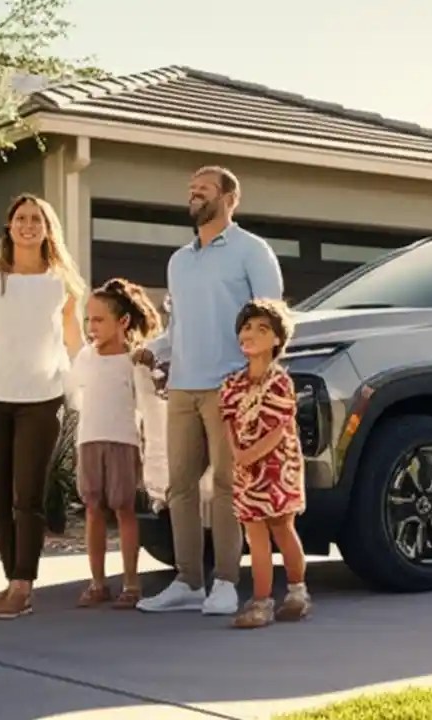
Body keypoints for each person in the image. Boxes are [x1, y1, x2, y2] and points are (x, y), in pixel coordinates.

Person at [134, 166, 285, 615]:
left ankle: (225, 582)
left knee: (225, 486)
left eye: (204, 189)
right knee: (179, 486)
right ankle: (188, 582)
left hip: (232, 386)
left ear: (229, 199)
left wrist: (258, 381)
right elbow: (178, 327)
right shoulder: (179, 261)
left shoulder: (252, 251)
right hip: (183, 387)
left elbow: (273, 319)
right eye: (191, 190)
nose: (194, 195)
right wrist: (153, 350)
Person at [0, 193, 85, 620]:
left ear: (48, 230)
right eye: (21, 218)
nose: (28, 225)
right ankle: (11, 577)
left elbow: (74, 342)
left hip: (41, 400)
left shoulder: (61, 284)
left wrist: (91, 385)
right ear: (9, 226)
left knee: (28, 497)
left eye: (37, 219)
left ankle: (22, 586)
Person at [66, 278, 166, 610]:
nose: (91, 327)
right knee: (93, 508)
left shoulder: (134, 362)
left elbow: (148, 405)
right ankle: (97, 583)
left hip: (124, 441)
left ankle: (131, 584)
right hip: (89, 440)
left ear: (122, 321)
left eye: (99, 319)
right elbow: (76, 394)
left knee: (124, 508)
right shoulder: (86, 357)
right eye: (88, 320)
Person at [221, 299, 310, 629]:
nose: (251, 334)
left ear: (276, 339)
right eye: (246, 328)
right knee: (254, 531)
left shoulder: (280, 383)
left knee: (281, 526)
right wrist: (238, 455)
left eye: (262, 329)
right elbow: (229, 422)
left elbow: (278, 429)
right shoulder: (232, 384)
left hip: (276, 467)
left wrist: (250, 455)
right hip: (246, 469)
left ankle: (297, 592)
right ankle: (262, 601)